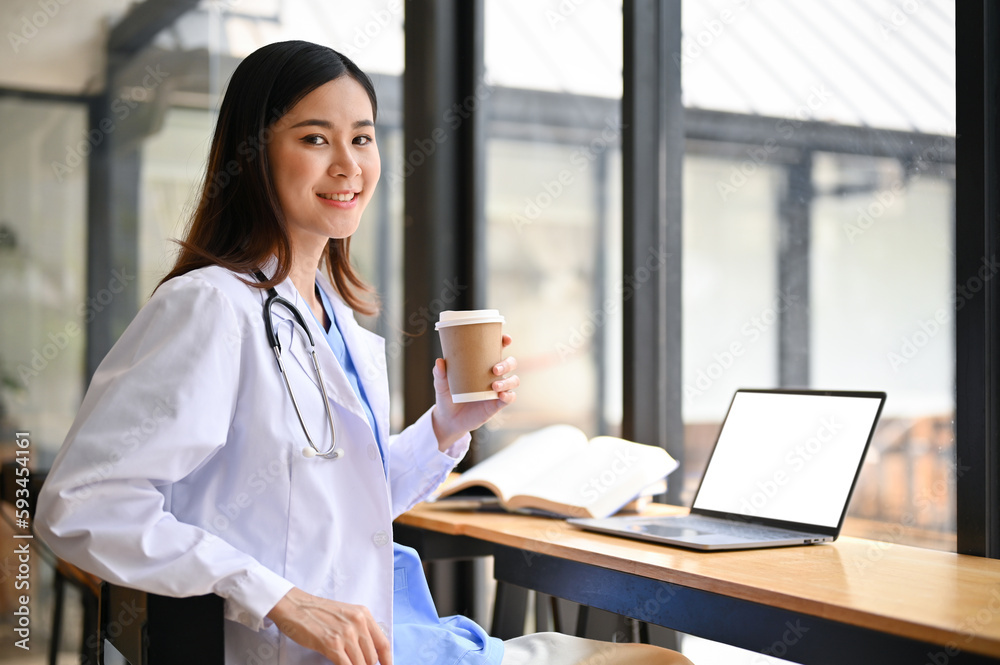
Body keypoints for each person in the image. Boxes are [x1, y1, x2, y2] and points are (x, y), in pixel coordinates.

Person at [36, 40, 692, 665]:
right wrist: (277, 597)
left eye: (363, 137)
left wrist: (444, 427)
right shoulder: (210, 307)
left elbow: (344, 506)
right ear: (254, 153)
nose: (348, 164)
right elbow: (82, 504)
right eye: (315, 138)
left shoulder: (330, 313)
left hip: (398, 633)